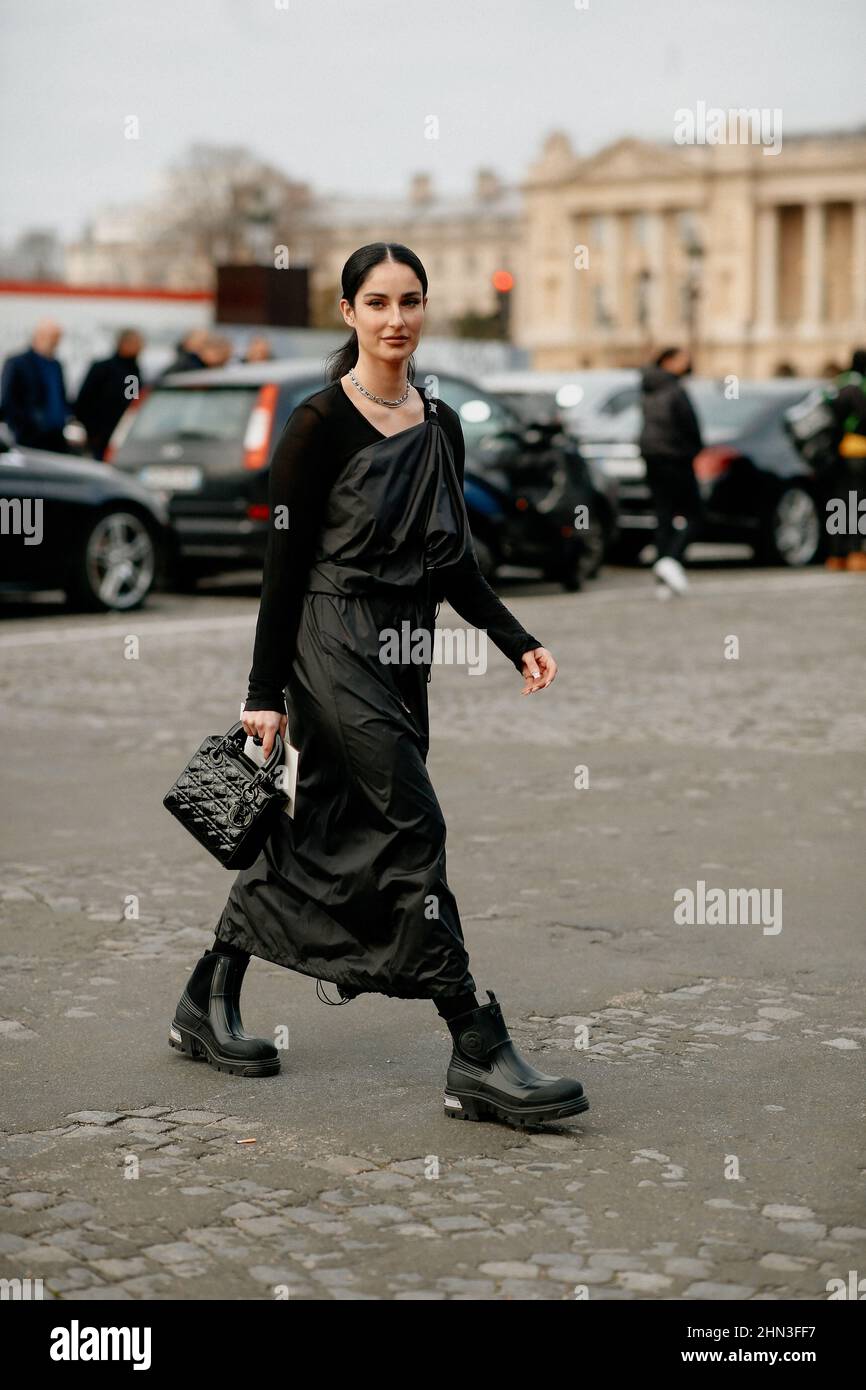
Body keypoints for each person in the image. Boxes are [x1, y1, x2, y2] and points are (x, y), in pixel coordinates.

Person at [168, 242, 589, 1129]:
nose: (396, 318)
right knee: (411, 824)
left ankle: (208, 996)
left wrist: (517, 639)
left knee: (326, 826)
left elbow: (450, 559)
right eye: (377, 302)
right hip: (329, 642)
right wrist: (265, 691)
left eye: (411, 301)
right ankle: (475, 1045)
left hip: (404, 651)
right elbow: (282, 568)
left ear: (424, 310)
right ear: (350, 314)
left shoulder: (441, 423)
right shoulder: (317, 424)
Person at [638, 345, 704, 596]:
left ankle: (663, 574)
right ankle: (671, 560)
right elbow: (688, 424)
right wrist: (692, 450)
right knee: (694, 513)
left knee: (663, 515)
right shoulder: (675, 389)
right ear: (669, 361)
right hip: (675, 457)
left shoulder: (648, 388)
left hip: (652, 456)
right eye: (682, 359)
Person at [824, 348, 866, 572]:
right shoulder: (859, 388)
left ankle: (836, 555)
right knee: (857, 504)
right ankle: (856, 553)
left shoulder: (838, 385)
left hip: (838, 453)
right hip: (859, 452)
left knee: (840, 502)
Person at [73, 328, 143, 461]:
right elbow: (84, 400)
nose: (140, 348)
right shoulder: (103, 368)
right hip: (99, 435)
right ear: (123, 344)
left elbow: (132, 400)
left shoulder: (133, 371)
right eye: (137, 344)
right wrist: (92, 430)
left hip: (122, 435)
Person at [0, 319, 70, 451]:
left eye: (58, 338)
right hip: (29, 436)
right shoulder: (18, 363)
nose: (56, 342)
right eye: (53, 338)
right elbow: (8, 400)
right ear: (39, 336)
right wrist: (23, 426)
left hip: (55, 434)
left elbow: (60, 396)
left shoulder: (56, 365)